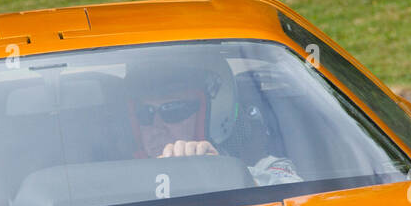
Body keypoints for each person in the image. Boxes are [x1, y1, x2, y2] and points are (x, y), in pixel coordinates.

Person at [127, 60, 303, 187]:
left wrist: (222, 171)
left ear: (212, 114)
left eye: (173, 110)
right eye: (145, 113)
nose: (156, 128)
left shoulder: (262, 165)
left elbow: (295, 197)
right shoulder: (119, 174)